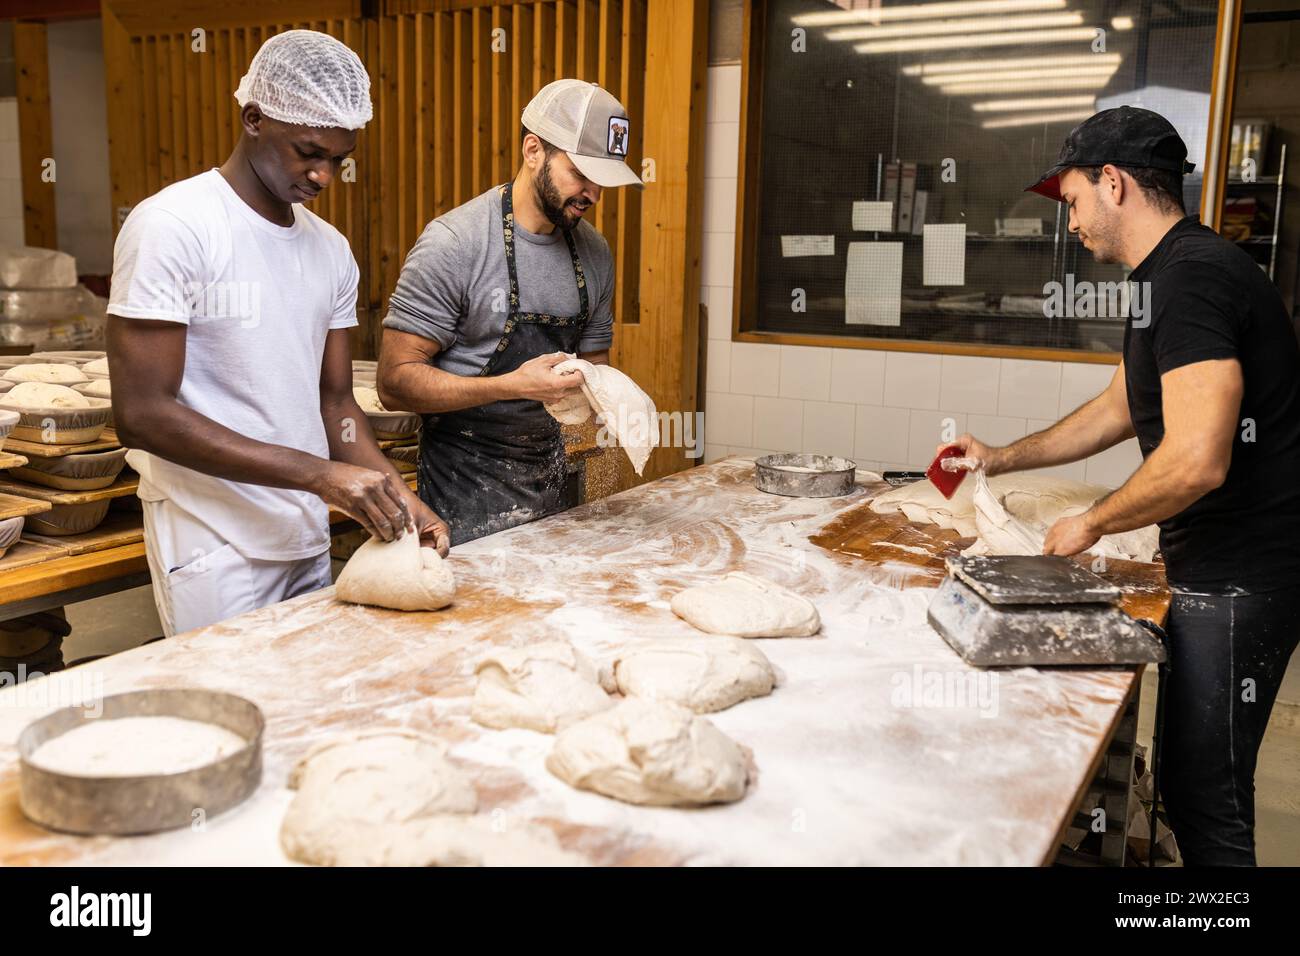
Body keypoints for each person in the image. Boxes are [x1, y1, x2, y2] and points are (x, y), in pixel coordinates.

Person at [948, 106, 1300, 865]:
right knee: (1188, 781)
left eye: (1072, 200)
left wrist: (1093, 523)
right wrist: (1001, 457)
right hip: (1219, 564)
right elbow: (1117, 410)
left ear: (1114, 183)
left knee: (1208, 801)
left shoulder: (1192, 279)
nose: (1070, 222)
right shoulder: (1165, 277)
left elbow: (1200, 457)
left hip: (1242, 577)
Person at [107, 30, 448, 637]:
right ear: (254, 118)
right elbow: (142, 414)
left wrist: (399, 497)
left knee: (305, 711)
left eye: (338, 160)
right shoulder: (173, 226)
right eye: (308, 152)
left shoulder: (331, 250)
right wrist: (319, 475)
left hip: (304, 531)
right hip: (213, 536)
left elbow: (335, 404)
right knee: (231, 711)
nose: (323, 177)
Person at [378, 79, 643, 545]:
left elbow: (596, 365)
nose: (593, 195)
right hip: (462, 495)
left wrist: (610, 405)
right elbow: (394, 383)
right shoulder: (456, 243)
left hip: (552, 478)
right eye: (581, 174)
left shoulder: (595, 253)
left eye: (602, 181)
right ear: (533, 150)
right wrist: (512, 385)